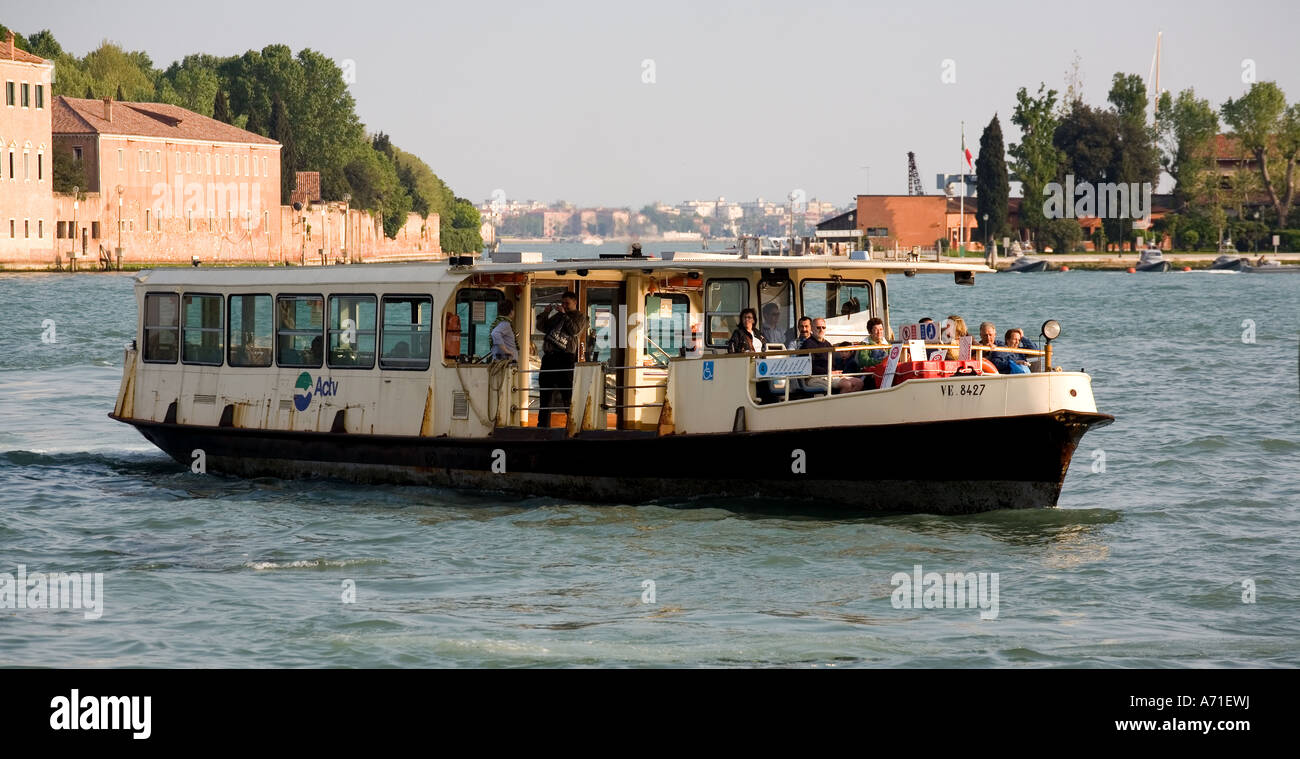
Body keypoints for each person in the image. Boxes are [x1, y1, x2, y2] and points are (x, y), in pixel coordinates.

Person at [535, 291, 588, 427]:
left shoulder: (580, 317)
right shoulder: (558, 316)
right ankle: (542, 426)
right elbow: (542, 327)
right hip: (550, 358)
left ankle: (572, 425)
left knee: (567, 394)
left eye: (567, 303)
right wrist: (545, 313)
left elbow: (574, 330)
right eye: (562, 303)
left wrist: (565, 315)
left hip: (565, 357)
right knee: (545, 393)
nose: (564, 305)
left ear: (574, 303)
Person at [802, 318, 863, 394]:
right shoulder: (807, 345)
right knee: (847, 384)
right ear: (812, 328)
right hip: (814, 377)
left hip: (829, 375)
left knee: (859, 383)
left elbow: (833, 363)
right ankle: (839, 405)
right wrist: (829, 372)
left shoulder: (827, 344)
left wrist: (836, 372)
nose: (821, 330)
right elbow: (809, 367)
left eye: (823, 327)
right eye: (818, 327)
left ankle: (847, 403)